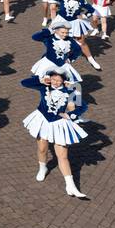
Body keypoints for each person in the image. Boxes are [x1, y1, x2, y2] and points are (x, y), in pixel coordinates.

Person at [20, 70, 89, 199]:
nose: (56, 83)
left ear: (64, 80)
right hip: (43, 121)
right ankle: (43, 168)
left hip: (59, 124)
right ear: (50, 78)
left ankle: (71, 185)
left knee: (62, 156)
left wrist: (70, 115)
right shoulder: (44, 86)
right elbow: (24, 83)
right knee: (42, 149)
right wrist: (41, 80)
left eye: (59, 80)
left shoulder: (70, 91)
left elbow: (83, 106)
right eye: (54, 79)